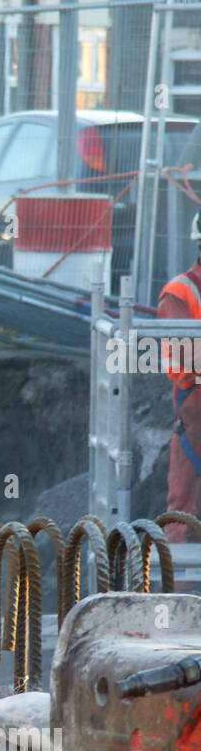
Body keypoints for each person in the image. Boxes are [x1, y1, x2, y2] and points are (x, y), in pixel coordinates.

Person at [158, 213, 201, 537]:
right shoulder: (180, 291)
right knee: (184, 506)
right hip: (195, 410)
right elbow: (183, 356)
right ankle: (179, 587)